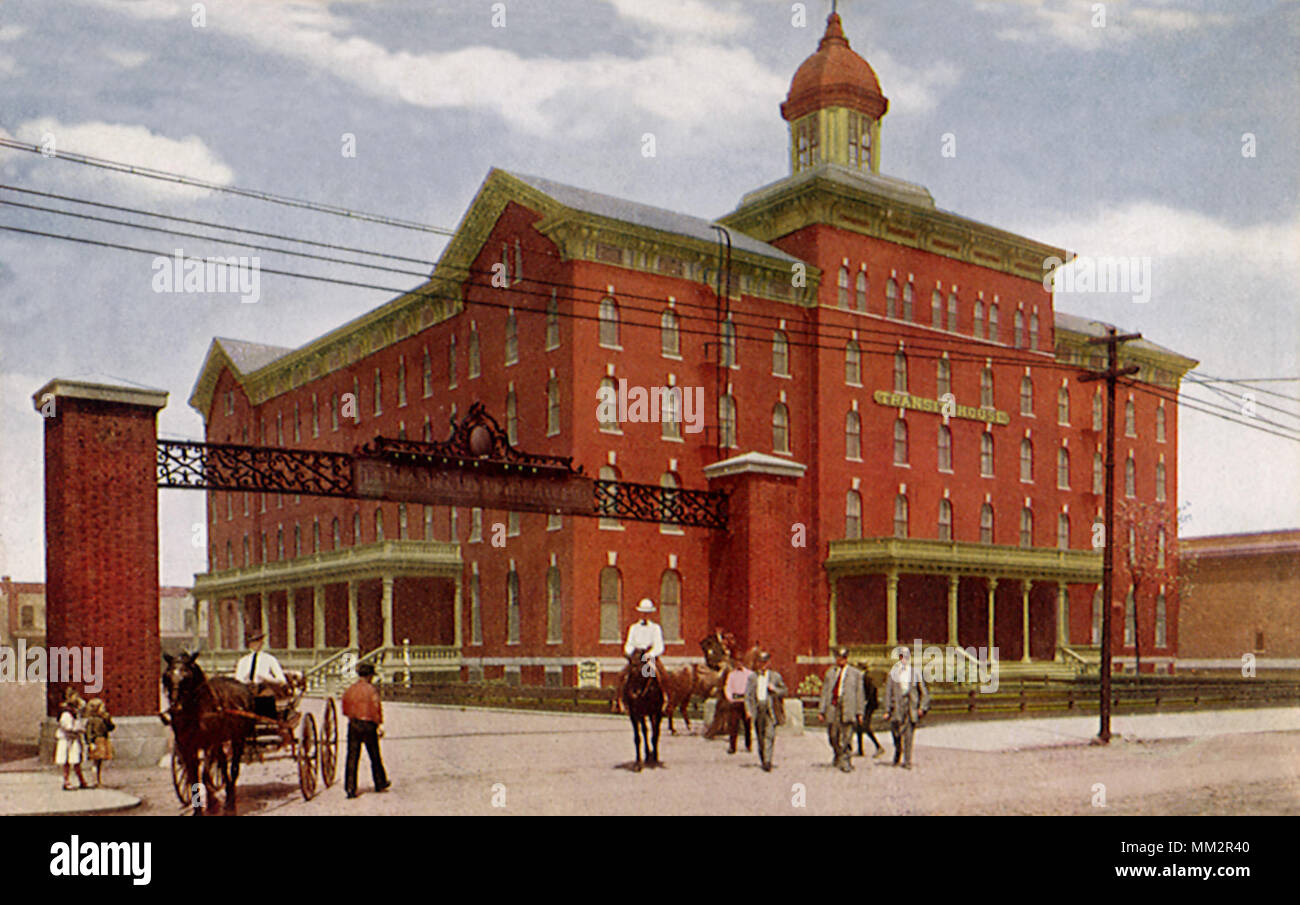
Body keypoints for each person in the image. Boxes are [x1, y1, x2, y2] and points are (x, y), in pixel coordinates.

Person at [342, 661, 390, 798]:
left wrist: (353, 716)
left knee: (352, 756)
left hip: (354, 724)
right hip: (369, 724)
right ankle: (380, 782)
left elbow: (345, 708)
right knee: (374, 755)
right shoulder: (371, 690)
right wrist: (379, 724)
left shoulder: (350, 689)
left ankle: (350, 788)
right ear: (369, 676)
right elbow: (375, 708)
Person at [882, 646, 931, 769]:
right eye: (902, 657)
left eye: (907, 657)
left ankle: (907, 760)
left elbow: (924, 692)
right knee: (896, 734)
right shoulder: (893, 674)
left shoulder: (915, 672)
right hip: (896, 707)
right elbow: (888, 693)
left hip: (910, 707)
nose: (904, 659)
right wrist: (887, 709)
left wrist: (922, 707)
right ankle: (898, 751)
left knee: (909, 734)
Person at [818, 648, 864, 772]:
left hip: (848, 707)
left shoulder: (856, 674)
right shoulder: (830, 673)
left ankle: (846, 760)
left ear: (846, 658)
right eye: (838, 657)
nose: (840, 660)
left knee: (847, 735)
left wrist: (860, 712)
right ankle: (838, 753)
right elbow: (825, 692)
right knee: (832, 735)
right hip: (833, 705)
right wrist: (821, 710)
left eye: (842, 657)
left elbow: (860, 694)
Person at [615, 599, 665, 713]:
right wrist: (630, 652)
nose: (645, 615)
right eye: (643, 613)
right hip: (636, 657)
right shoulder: (634, 628)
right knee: (622, 675)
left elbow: (659, 646)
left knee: (661, 675)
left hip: (649, 657)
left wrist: (650, 654)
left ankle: (665, 700)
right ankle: (620, 702)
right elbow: (629, 643)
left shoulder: (655, 628)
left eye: (647, 613)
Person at [744, 652, 786, 772]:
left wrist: (775, 689)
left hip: (770, 709)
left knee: (769, 735)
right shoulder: (752, 677)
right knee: (760, 735)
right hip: (758, 708)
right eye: (760, 663)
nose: (762, 665)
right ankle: (763, 757)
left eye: (764, 663)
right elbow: (748, 695)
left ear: (769, 663)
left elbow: (784, 691)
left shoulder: (775, 676)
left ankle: (767, 761)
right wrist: (748, 710)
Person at [235, 630, 288, 719]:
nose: (256, 644)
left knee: (265, 697)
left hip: (263, 690)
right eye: (253, 642)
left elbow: (282, 680)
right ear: (250, 644)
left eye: (258, 641)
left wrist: (266, 678)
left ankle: (268, 720)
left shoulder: (270, 659)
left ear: (262, 643)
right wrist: (245, 679)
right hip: (246, 690)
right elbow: (237, 679)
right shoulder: (243, 661)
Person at [55, 695, 88, 791]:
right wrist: (79, 729)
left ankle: (82, 781)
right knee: (66, 761)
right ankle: (66, 781)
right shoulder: (66, 715)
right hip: (66, 740)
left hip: (73, 740)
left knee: (76, 760)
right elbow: (67, 727)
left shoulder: (75, 715)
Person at [721, 659, 753, 755]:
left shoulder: (749, 674)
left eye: (740, 662)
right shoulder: (732, 675)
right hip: (735, 701)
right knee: (733, 725)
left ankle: (748, 745)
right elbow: (728, 687)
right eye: (737, 662)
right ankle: (732, 747)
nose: (738, 664)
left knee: (747, 725)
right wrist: (730, 698)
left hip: (745, 701)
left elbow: (752, 687)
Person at [84, 698, 116, 788]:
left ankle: (98, 780)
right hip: (96, 741)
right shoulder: (92, 720)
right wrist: (90, 742)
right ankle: (95, 780)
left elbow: (111, 727)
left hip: (103, 740)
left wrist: (108, 719)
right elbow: (89, 732)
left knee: (100, 762)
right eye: (102, 707)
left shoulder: (103, 718)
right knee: (95, 761)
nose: (104, 709)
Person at [855, 664, 885, 759]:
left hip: (868, 706)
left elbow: (871, 691)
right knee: (859, 726)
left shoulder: (866, 678)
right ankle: (860, 749)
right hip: (864, 705)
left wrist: (865, 701)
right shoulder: (863, 678)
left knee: (865, 726)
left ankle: (878, 746)